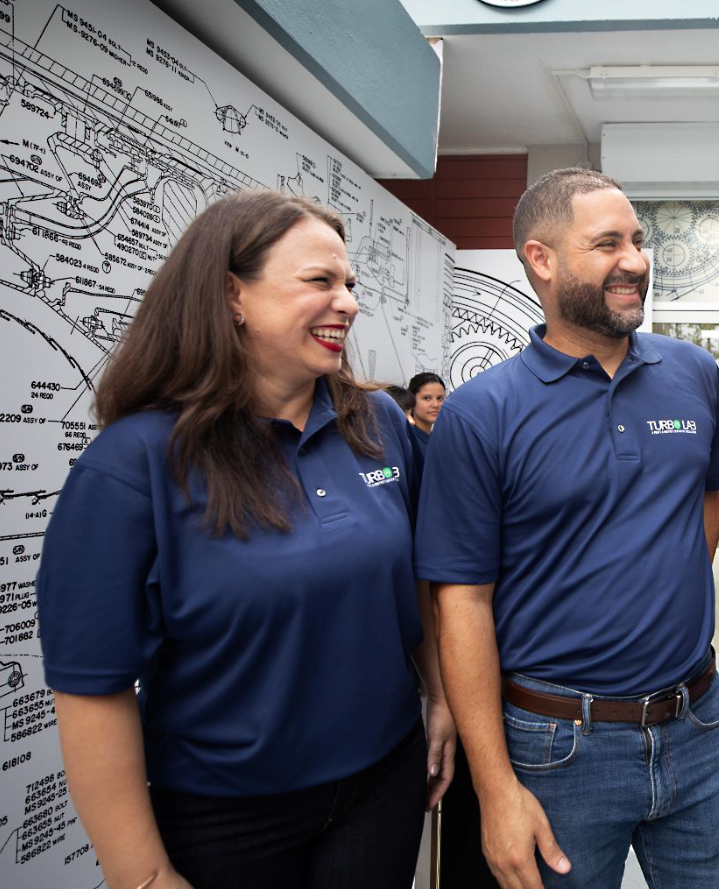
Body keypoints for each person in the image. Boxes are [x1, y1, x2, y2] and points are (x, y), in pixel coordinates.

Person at [37, 190, 455, 889]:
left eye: (349, 284)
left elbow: (415, 580)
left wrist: (439, 696)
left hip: (384, 780)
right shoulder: (134, 463)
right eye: (320, 282)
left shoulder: (379, 423)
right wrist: (141, 875)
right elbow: (91, 686)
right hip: (225, 815)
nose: (348, 302)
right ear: (233, 294)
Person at [415, 167, 719, 889]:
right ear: (542, 259)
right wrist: (496, 786)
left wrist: (653, 588)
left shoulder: (694, 375)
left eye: (638, 240)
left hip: (700, 728)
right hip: (556, 748)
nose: (635, 260)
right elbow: (462, 604)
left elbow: (705, 500)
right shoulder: (481, 413)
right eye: (608, 244)